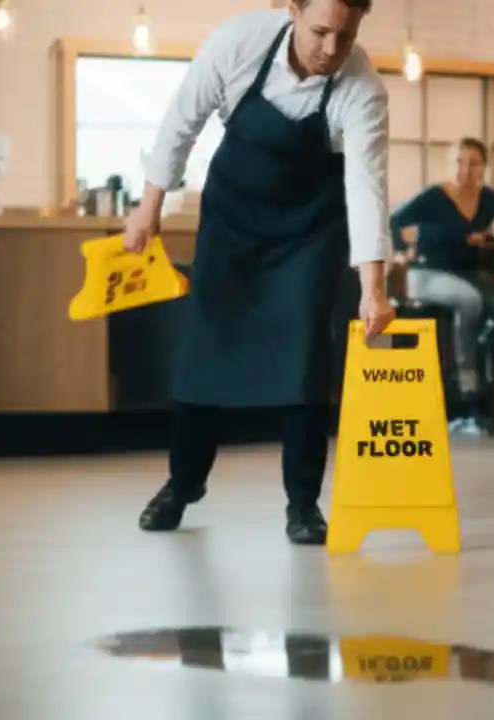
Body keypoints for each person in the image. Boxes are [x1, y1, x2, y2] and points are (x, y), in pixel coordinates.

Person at [124, 0, 394, 545]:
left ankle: (302, 503)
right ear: (291, 9)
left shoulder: (362, 88)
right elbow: (183, 120)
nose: (330, 49)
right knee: (204, 355)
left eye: (346, 36)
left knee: (303, 361)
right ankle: (182, 485)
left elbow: (367, 189)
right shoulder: (239, 42)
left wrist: (374, 288)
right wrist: (149, 205)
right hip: (232, 224)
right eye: (320, 31)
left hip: (308, 233)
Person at [389, 137, 494, 435]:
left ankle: (482, 351)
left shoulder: (488, 198)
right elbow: (395, 220)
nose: (466, 169)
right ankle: (468, 380)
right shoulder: (433, 196)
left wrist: (490, 236)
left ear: (483, 168)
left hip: (468, 273)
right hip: (427, 275)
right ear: (450, 163)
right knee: (470, 301)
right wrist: (403, 250)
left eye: (474, 163)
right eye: (459, 161)